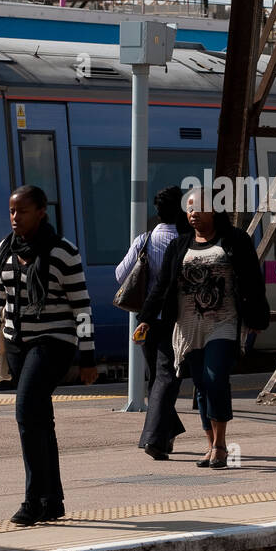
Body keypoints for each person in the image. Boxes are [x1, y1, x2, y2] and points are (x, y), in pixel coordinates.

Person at [0, 186, 98, 526]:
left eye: (22, 212)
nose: (15, 218)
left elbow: (82, 307)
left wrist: (87, 357)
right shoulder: (7, 248)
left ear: (41, 212)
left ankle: (32, 500)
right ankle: (53, 500)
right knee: (40, 421)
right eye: (12, 212)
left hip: (54, 343)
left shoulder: (63, 252)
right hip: (17, 344)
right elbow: (0, 296)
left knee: (26, 411)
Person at [135, 189, 270, 469]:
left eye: (199, 207)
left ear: (214, 210)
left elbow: (253, 282)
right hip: (187, 327)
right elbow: (162, 286)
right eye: (189, 208)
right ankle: (209, 445)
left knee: (214, 379)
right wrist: (146, 318)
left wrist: (257, 319)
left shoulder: (235, 241)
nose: (193, 212)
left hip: (223, 322)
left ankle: (221, 446)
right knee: (200, 387)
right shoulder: (179, 245)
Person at [115, 185, 186, 457]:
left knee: (157, 377)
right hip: (176, 320)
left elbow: (121, 275)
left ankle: (167, 434)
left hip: (145, 320)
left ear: (157, 212)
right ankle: (155, 438)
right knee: (167, 377)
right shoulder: (186, 240)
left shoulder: (143, 240)